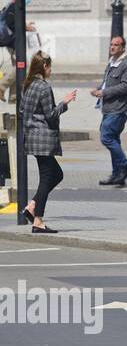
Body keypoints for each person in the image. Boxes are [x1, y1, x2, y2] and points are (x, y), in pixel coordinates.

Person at [20, 52, 75, 233]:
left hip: (33, 138)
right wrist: (64, 103)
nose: (51, 70)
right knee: (46, 178)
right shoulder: (43, 87)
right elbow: (50, 115)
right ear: (44, 67)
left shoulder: (27, 86)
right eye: (50, 67)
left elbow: (22, 112)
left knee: (57, 174)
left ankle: (32, 206)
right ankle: (38, 221)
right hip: (43, 139)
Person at [90, 35, 127, 186]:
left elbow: (126, 86)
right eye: (111, 44)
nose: (112, 47)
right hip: (108, 107)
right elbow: (107, 83)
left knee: (107, 137)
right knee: (113, 139)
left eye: (116, 45)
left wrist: (104, 92)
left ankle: (124, 166)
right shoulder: (112, 62)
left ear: (123, 48)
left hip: (119, 108)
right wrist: (98, 89)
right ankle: (117, 174)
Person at [0, 0, 36, 103]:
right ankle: (2, 86)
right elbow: (12, 22)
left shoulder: (14, 4)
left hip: (13, 41)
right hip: (12, 41)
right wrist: (26, 27)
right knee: (22, 64)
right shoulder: (14, 5)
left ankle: (14, 97)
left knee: (18, 67)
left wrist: (25, 25)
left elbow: (15, 20)